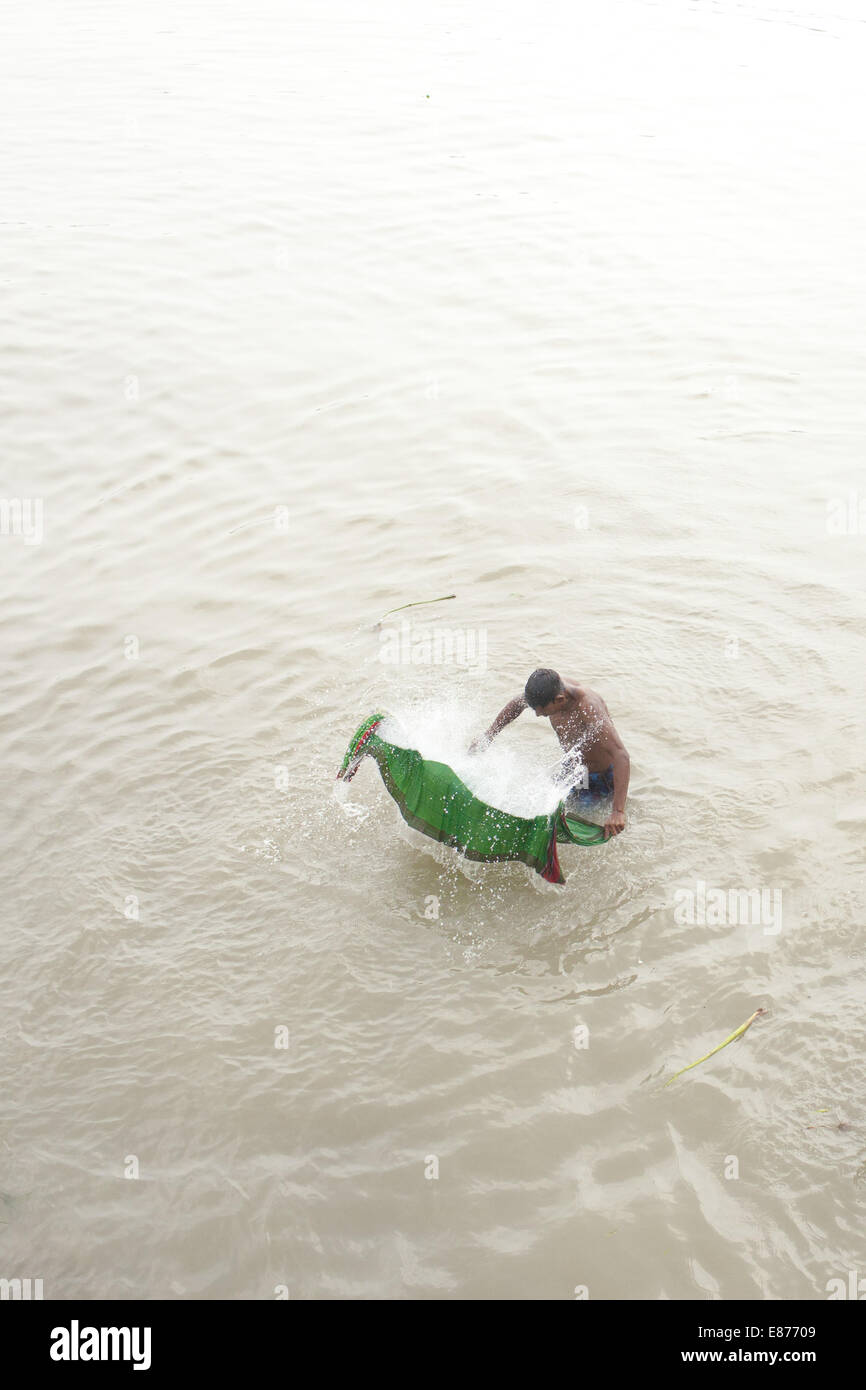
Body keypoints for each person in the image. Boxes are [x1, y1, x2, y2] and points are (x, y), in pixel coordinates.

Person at [470, 668, 630, 838]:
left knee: (577, 822)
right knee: (545, 805)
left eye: (541, 710)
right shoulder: (548, 689)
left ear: (559, 700)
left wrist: (618, 811)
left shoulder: (588, 707)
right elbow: (517, 704)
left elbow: (621, 755)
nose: (538, 715)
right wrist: (489, 735)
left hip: (599, 778)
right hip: (572, 768)